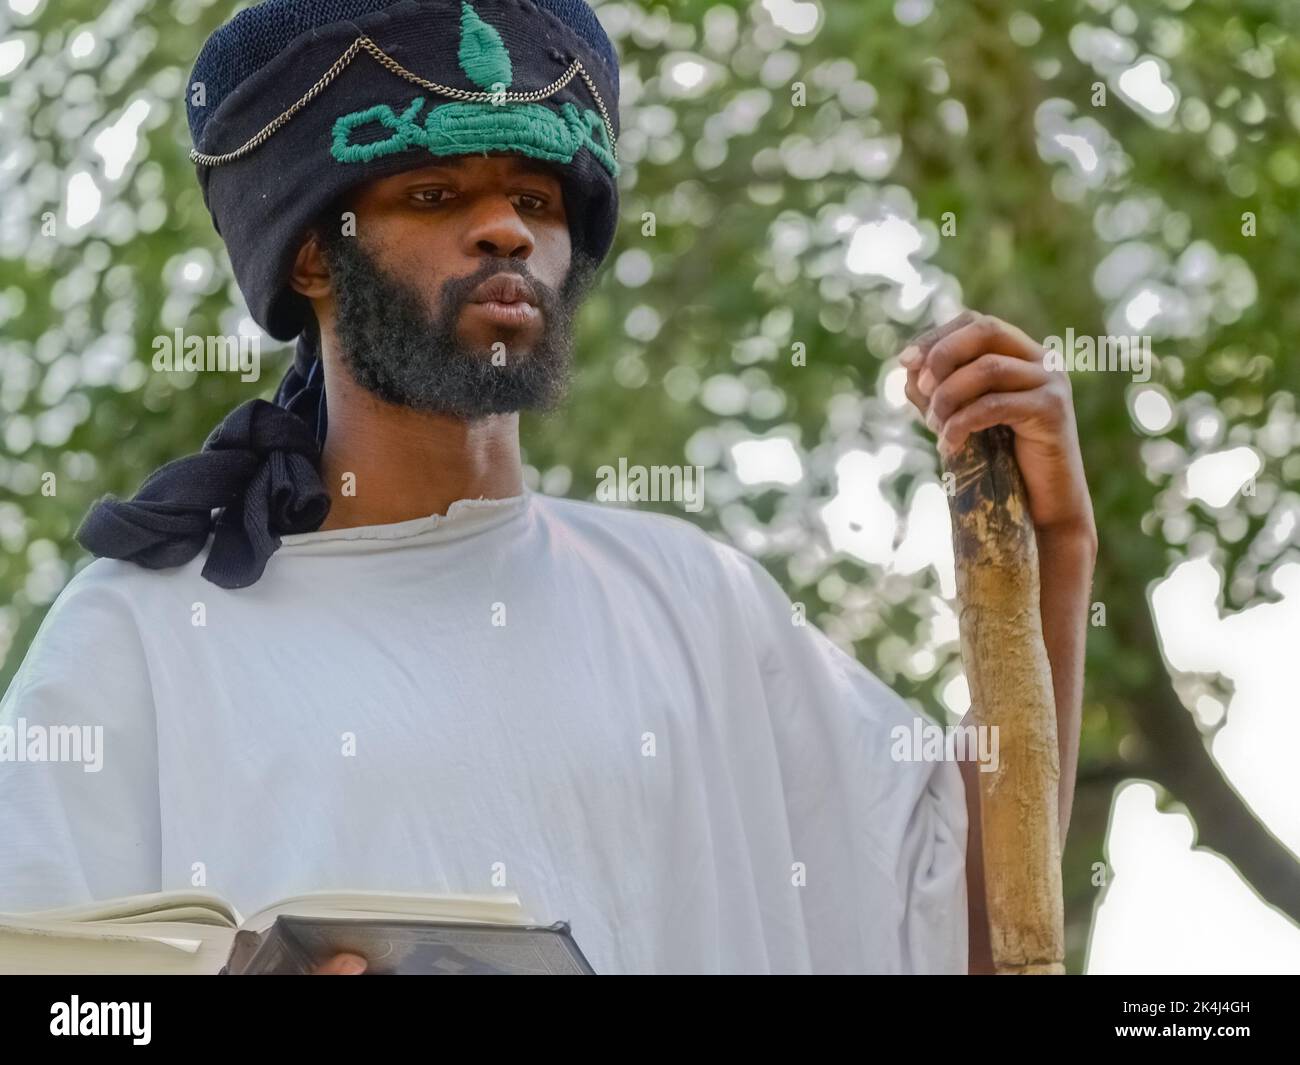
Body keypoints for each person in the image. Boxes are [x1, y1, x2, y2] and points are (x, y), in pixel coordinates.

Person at [0, 0, 1096, 974]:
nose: (505, 228)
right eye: (434, 193)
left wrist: (1050, 553)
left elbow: (975, 933)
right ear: (309, 256)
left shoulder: (698, 603)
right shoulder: (142, 637)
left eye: (536, 195)